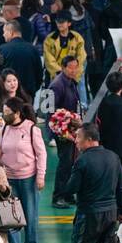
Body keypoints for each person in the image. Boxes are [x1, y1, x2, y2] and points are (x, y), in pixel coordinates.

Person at [65, 122, 122, 243]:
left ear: (89, 139)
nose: (76, 141)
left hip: (88, 215)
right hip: (111, 214)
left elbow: (70, 189)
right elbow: (120, 188)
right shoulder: (113, 157)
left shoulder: (82, 161)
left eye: (78, 137)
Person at [0, 99, 46, 243]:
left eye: (6, 112)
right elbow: (0, 152)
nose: (4, 116)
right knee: (11, 213)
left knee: (30, 213)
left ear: (17, 113)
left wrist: (40, 176)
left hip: (28, 177)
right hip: (9, 177)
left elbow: (41, 154)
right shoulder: (4, 129)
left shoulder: (31, 129)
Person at [50, 55, 85, 209]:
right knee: (65, 163)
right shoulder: (56, 85)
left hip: (72, 131)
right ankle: (58, 196)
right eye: (70, 67)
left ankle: (68, 194)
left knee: (71, 163)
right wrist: (63, 125)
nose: (73, 70)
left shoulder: (72, 83)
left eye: (75, 67)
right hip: (63, 132)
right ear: (63, 67)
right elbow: (49, 110)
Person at [96, 70, 122, 184]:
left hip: (106, 145)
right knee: (121, 177)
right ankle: (120, 200)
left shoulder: (103, 103)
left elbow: (100, 123)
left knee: (107, 176)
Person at [0, 23, 43, 99]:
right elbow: (39, 73)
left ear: (11, 32)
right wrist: (34, 89)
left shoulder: (3, 49)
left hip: (9, 93)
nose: (3, 35)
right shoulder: (33, 49)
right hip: (28, 93)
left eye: (4, 32)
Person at [45, 12, 88, 85]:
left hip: (74, 74)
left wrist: (72, 70)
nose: (59, 23)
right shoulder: (50, 38)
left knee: (79, 92)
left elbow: (81, 56)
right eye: (58, 21)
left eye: (62, 21)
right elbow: (48, 58)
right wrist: (60, 71)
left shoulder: (77, 37)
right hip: (57, 75)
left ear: (69, 23)